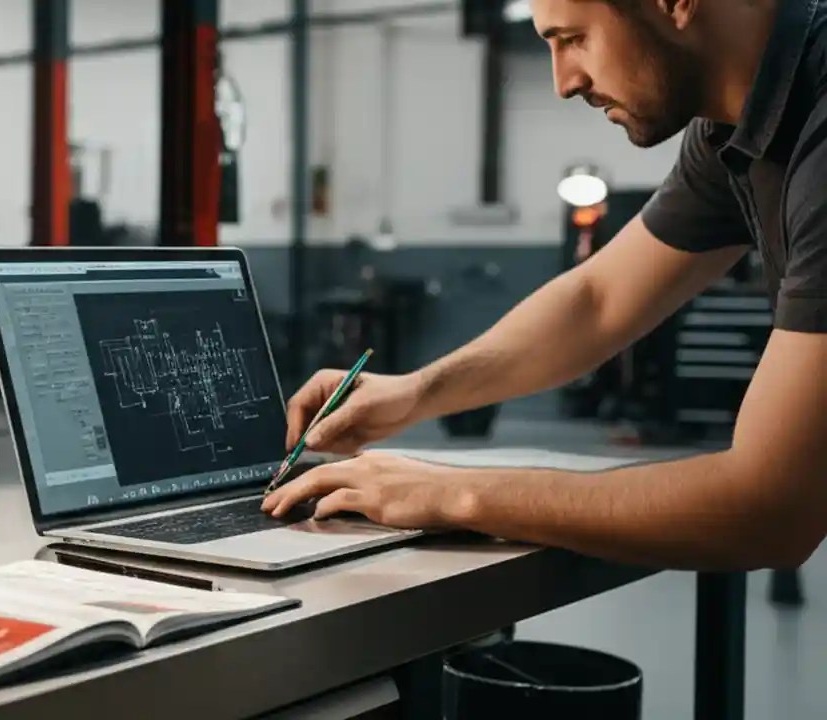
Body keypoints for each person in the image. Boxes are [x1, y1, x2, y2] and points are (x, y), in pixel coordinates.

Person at [263, 0, 827, 571]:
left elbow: (768, 507)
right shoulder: (730, 129)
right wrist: (415, 393)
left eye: (574, 38)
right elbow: (598, 301)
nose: (564, 82)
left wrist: (451, 494)